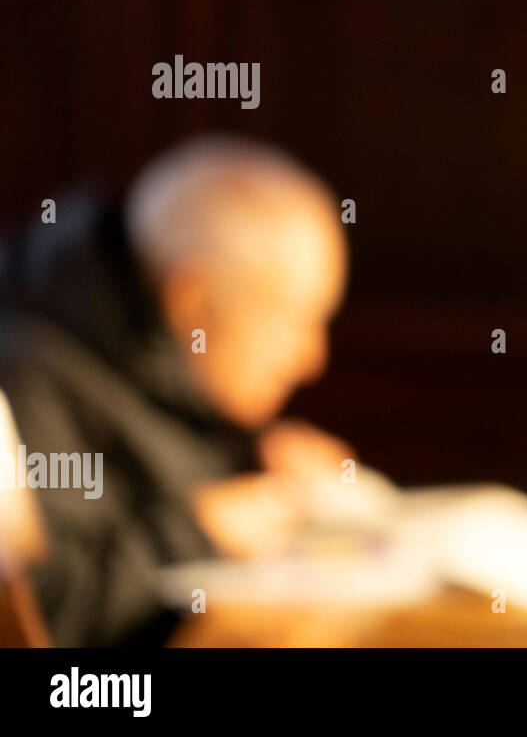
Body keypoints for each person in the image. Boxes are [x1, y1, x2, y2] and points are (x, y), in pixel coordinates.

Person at [0, 136, 350, 645]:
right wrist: (197, 531)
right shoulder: (27, 373)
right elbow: (43, 615)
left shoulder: (146, 339)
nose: (313, 358)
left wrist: (259, 461)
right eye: (292, 320)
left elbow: (152, 447)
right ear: (193, 298)